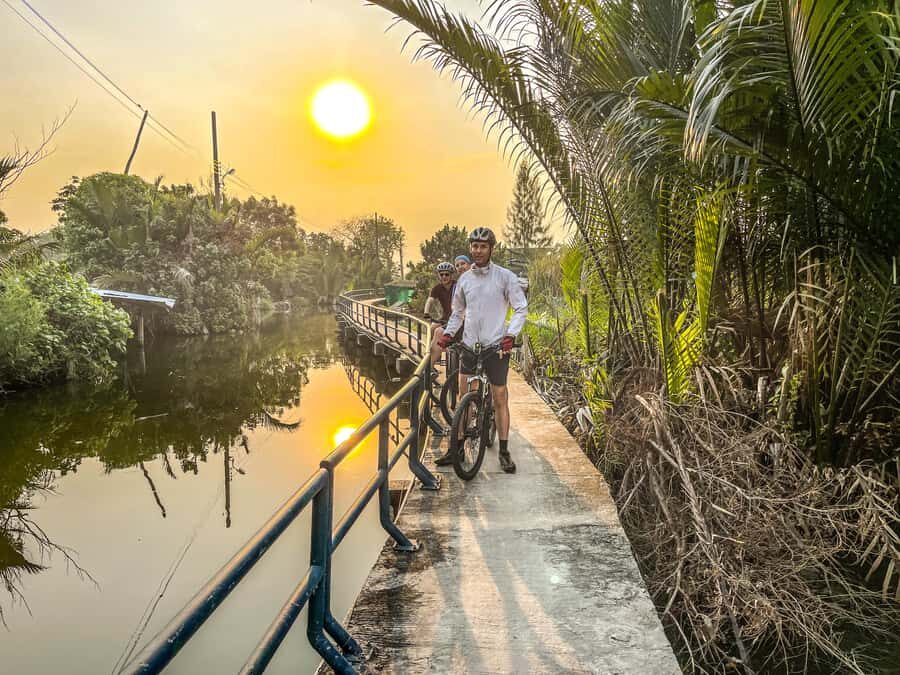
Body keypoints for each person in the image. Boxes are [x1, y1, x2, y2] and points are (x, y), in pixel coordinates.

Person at [436, 227, 527, 473]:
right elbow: (458, 312)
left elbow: (520, 308)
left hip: (497, 346)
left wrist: (511, 335)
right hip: (469, 345)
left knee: (499, 397)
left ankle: (505, 451)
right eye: (474, 246)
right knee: (462, 395)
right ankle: (456, 447)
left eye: (483, 246)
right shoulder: (464, 279)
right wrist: (447, 334)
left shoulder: (505, 277)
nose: (478, 251)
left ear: (491, 249)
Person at [424, 261, 457, 368]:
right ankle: (434, 356)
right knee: (432, 327)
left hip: (456, 318)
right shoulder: (437, 288)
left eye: (447, 274)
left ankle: (430, 364)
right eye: (441, 274)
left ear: (451, 275)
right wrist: (426, 312)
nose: (444, 277)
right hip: (445, 318)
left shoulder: (457, 286)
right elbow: (430, 300)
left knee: (439, 332)